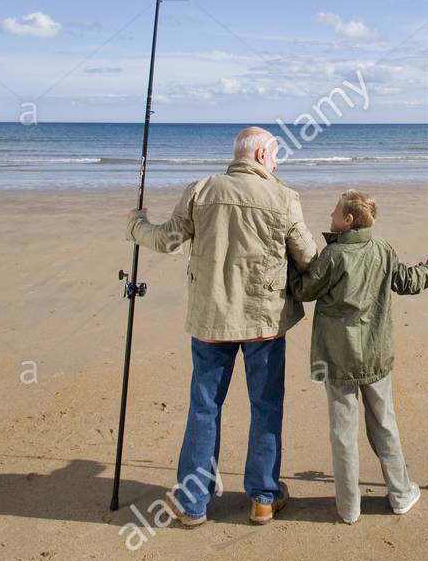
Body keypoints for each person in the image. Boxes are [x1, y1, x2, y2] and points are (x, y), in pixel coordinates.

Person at [126, 126, 317, 527]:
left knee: (204, 407)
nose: (277, 162)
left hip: (212, 320)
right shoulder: (284, 197)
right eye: (276, 155)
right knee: (265, 407)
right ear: (262, 155)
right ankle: (263, 498)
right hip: (264, 323)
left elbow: (165, 239)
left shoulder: (202, 189)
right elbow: (308, 258)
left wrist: (136, 225)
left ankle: (193, 503)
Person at [290, 188, 428, 524]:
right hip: (375, 354)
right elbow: (406, 280)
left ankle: (349, 508)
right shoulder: (382, 248)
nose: (330, 217)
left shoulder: (333, 256)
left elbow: (303, 290)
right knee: (384, 425)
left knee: (344, 433)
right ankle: (400, 494)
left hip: (337, 357)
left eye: (334, 213)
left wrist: (288, 263)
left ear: (348, 220)